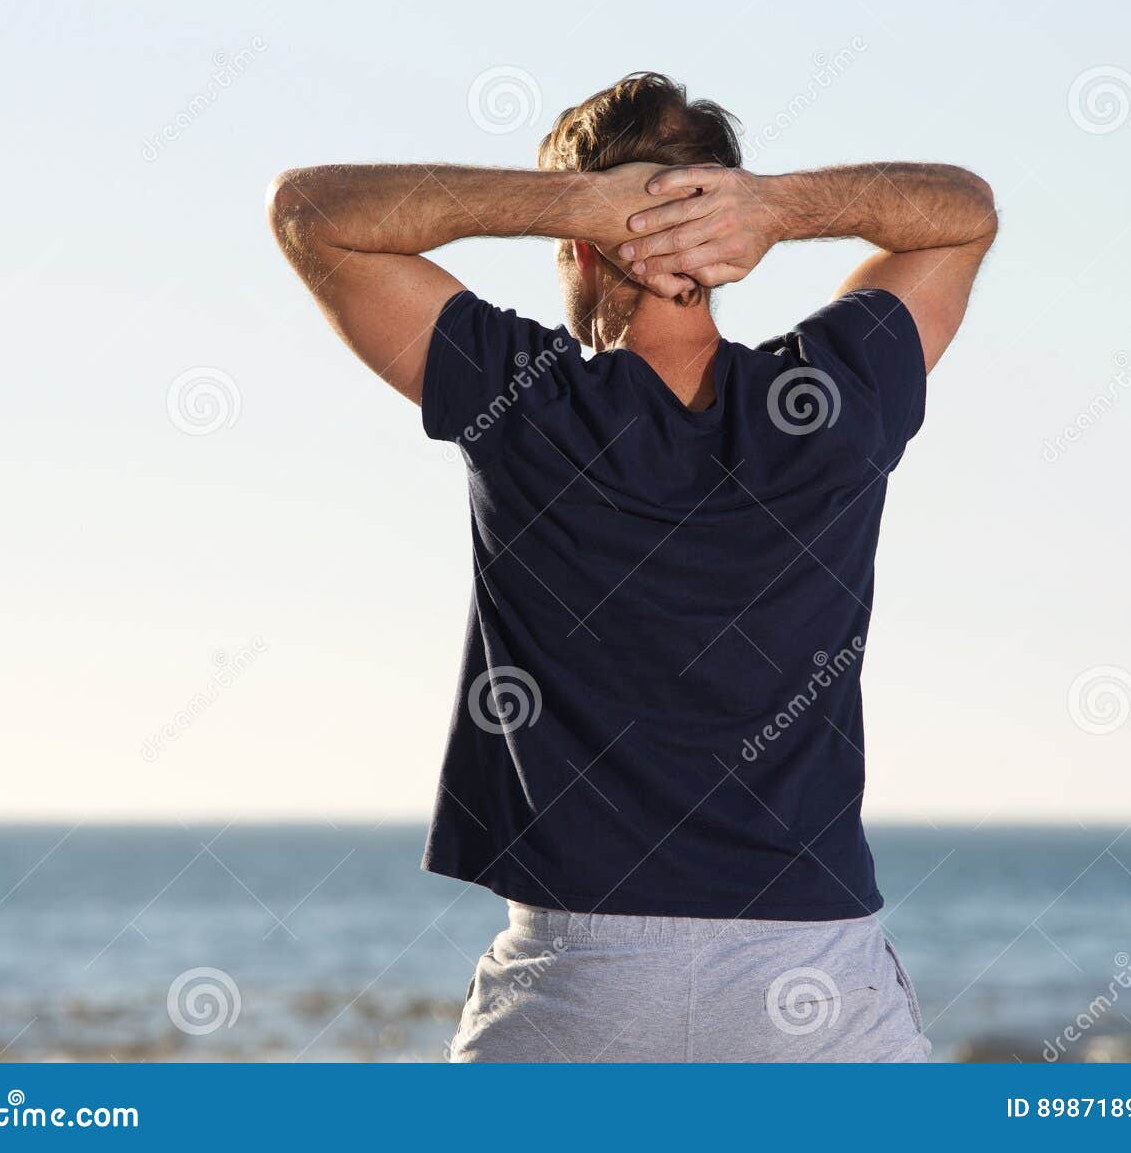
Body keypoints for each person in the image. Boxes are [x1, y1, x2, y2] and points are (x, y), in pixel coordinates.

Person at [268, 72, 996, 1061]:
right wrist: (777, 207)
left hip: (577, 983)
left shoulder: (521, 398)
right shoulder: (836, 397)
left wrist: (573, 203)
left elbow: (311, 211)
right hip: (812, 986)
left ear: (577, 244)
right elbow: (961, 214)